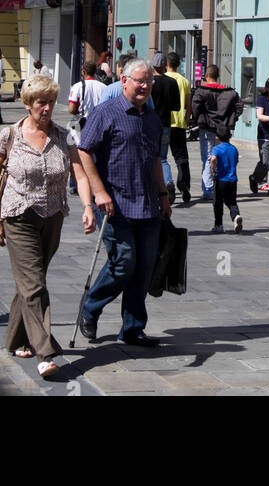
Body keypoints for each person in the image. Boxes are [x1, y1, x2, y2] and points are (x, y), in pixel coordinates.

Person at [0, 75, 96, 379]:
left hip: (53, 216)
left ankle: (15, 337)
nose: (46, 108)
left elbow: (81, 175)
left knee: (32, 280)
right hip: (17, 216)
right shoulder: (10, 136)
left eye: (50, 102)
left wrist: (88, 207)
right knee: (34, 284)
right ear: (28, 104)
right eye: (40, 103)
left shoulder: (64, 136)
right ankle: (45, 352)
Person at [76, 59, 172, 348]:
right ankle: (90, 308)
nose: (144, 87)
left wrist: (164, 194)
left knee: (143, 269)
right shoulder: (107, 112)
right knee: (123, 263)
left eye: (149, 82)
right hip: (114, 204)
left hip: (148, 205)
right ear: (124, 81)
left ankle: (132, 327)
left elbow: (156, 159)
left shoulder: (152, 118)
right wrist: (98, 192)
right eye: (139, 81)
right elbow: (83, 152)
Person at [191, 64, 243, 200]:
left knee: (208, 158)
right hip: (223, 129)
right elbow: (239, 106)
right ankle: (222, 188)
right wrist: (232, 118)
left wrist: (200, 119)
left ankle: (208, 189)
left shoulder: (201, 91)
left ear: (206, 76)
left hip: (207, 128)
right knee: (222, 157)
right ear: (218, 75)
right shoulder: (229, 92)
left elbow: (195, 106)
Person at [67, 62, 107, 194]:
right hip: (99, 123)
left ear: (83, 72)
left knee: (76, 151)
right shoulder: (103, 87)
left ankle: (75, 184)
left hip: (81, 123)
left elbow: (72, 109)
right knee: (96, 153)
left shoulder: (77, 86)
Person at [151, 52, 181, 202]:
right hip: (166, 123)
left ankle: (155, 188)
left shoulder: (149, 82)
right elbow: (176, 106)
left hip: (150, 124)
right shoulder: (171, 82)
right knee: (162, 158)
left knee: (151, 157)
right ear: (165, 66)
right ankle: (168, 181)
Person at [166, 52, 192, 205]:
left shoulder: (162, 79)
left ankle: (167, 182)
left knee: (161, 157)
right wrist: (186, 120)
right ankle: (183, 185)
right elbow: (189, 106)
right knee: (181, 157)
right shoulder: (184, 81)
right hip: (179, 124)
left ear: (167, 64)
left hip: (164, 123)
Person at [210, 124, 242, 234]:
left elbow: (213, 159)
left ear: (217, 137)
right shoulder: (234, 149)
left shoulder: (216, 149)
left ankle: (218, 225)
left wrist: (213, 170)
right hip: (232, 180)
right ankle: (236, 216)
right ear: (230, 136)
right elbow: (236, 162)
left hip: (220, 180)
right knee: (232, 201)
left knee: (218, 202)